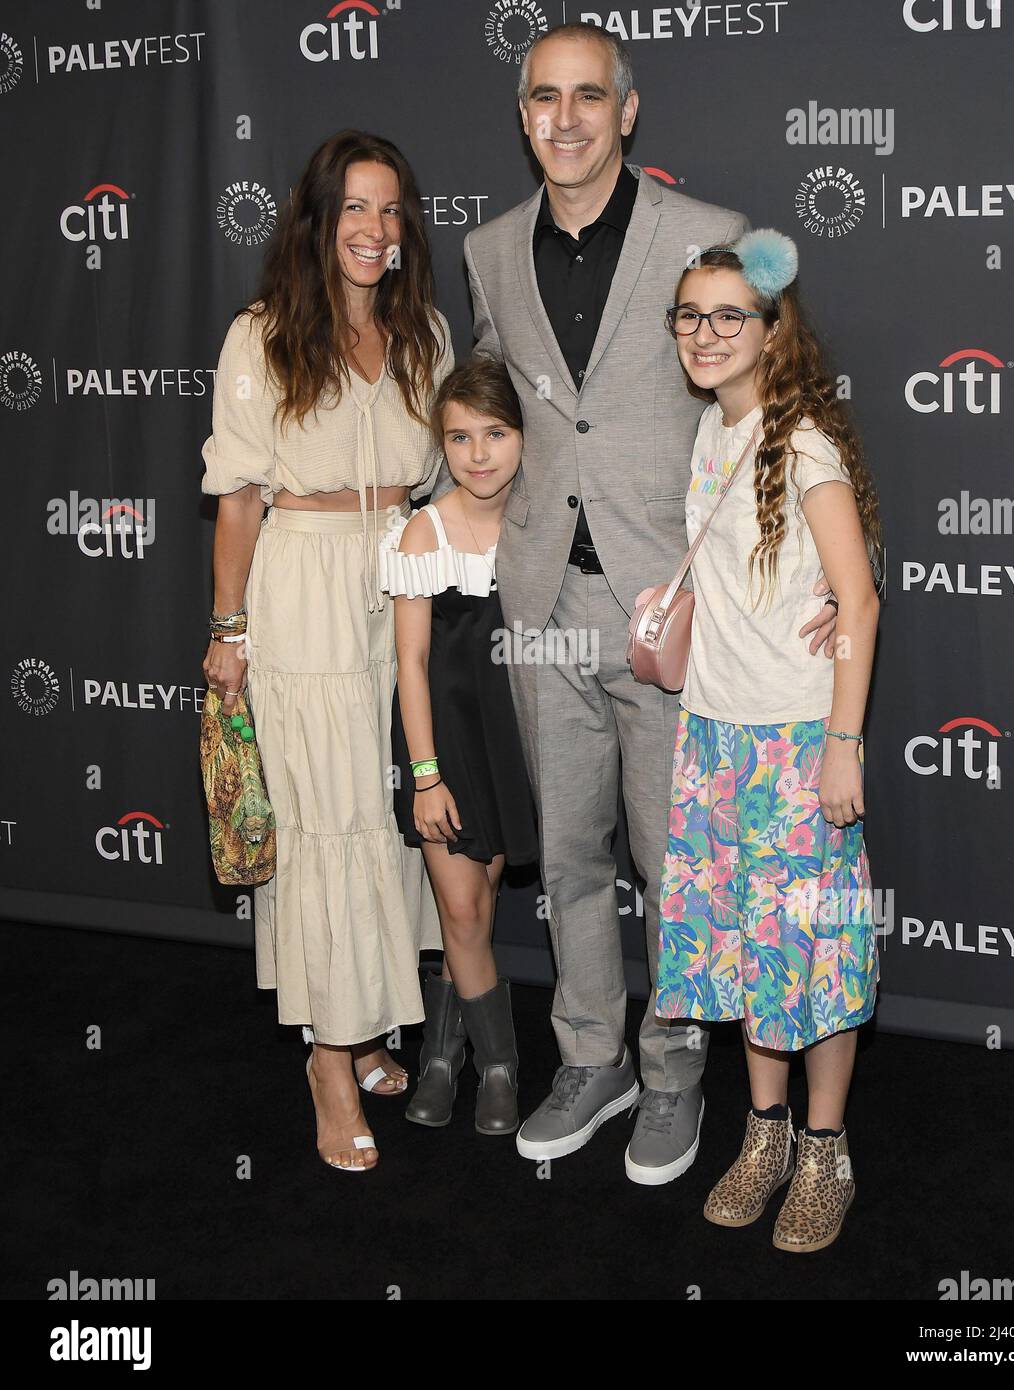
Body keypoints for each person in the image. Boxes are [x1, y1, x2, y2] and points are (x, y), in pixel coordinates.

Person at [435, 21, 839, 1184]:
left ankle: (671, 1075)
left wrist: (832, 582)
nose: (564, 118)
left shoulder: (708, 237)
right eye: (542, 98)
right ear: (522, 116)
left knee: (675, 861)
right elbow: (493, 408)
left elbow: (790, 397)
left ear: (628, 109)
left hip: (673, 604)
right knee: (563, 853)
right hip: (539, 597)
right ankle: (589, 1056)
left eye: (587, 97)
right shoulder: (488, 247)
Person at [200, 130, 453, 1172]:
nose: (372, 228)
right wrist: (227, 633)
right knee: (325, 817)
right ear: (316, 221)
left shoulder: (423, 333)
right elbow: (239, 501)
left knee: (390, 816)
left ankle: (373, 1021)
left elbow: (449, 479)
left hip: (398, 583)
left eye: (389, 211)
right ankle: (329, 1058)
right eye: (353, 207)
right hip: (301, 587)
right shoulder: (259, 337)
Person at [654, 231, 881, 1250]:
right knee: (747, 950)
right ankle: (764, 1134)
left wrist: (842, 741)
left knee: (816, 951)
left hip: (795, 744)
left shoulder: (808, 447)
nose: (704, 334)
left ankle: (823, 1148)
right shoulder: (711, 431)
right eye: (688, 316)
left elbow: (860, 598)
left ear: (770, 330)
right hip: (714, 740)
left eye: (726, 317)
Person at [380, 359, 538, 1136]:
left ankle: (446, 1053)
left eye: (496, 434)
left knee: (469, 913)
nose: (479, 454)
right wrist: (424, 777)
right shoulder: (424, 529)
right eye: (460, 438)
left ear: (522, 435)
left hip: (513, 745)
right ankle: (496, 1067)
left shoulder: (542, 524)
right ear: (440, 445)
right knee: (463, 907)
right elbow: (408, 663)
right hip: (441, 747)